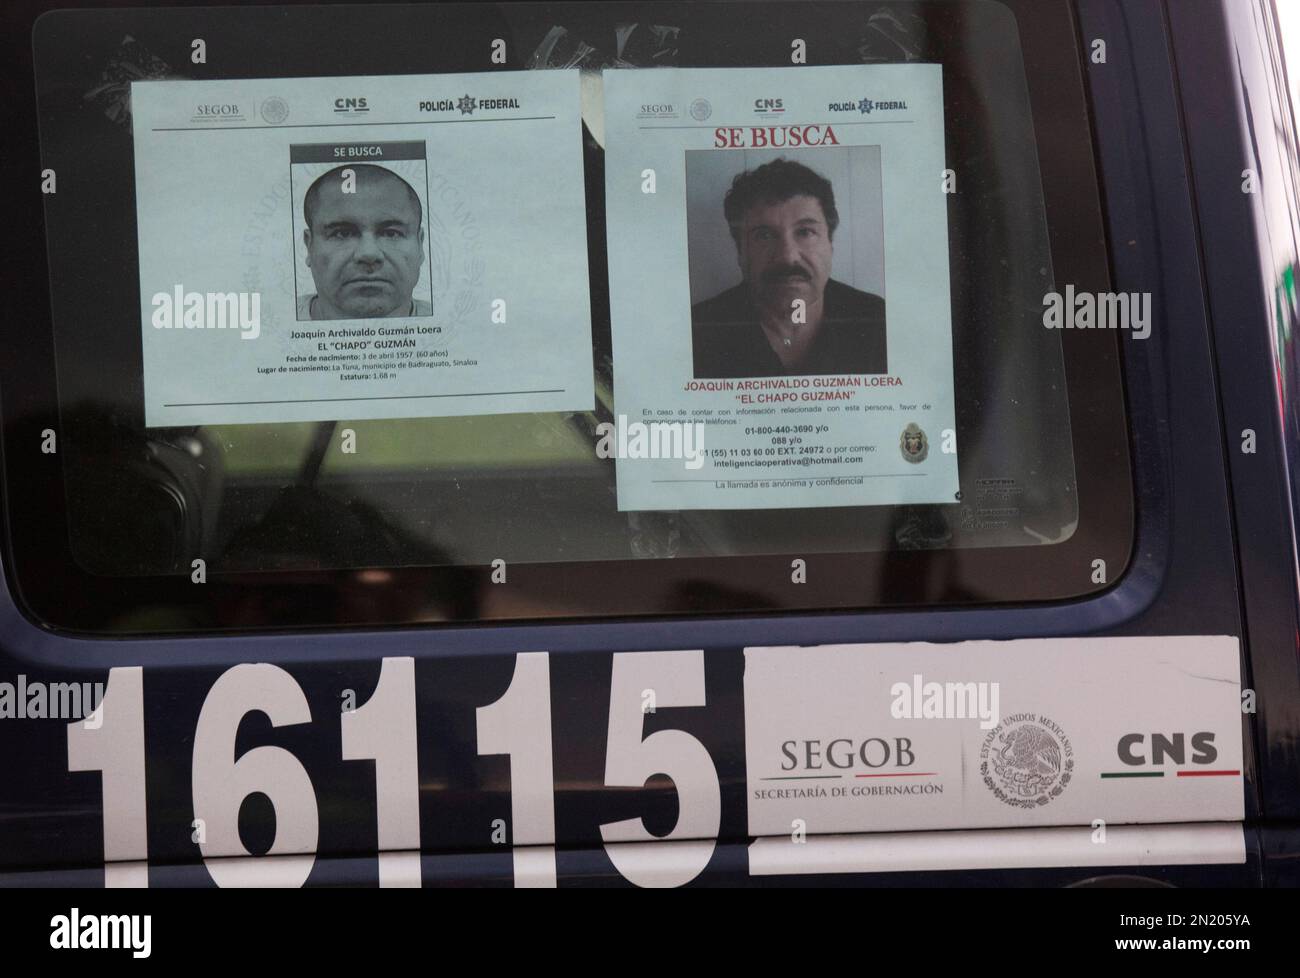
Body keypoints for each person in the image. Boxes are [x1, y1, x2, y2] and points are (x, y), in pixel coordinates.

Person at [691, 158, 886, 377]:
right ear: (740, 251)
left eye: (805, 232)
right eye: (763, 236)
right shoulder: (696, 332)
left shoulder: (879, 322)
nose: (787, 256)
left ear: (830, 244)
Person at [297, 163, 432, 320]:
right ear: (309, 246)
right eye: (343, 233)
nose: (368, 253)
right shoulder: (276, 323)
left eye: (391, 233)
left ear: (420, 245)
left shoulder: (454, 327)